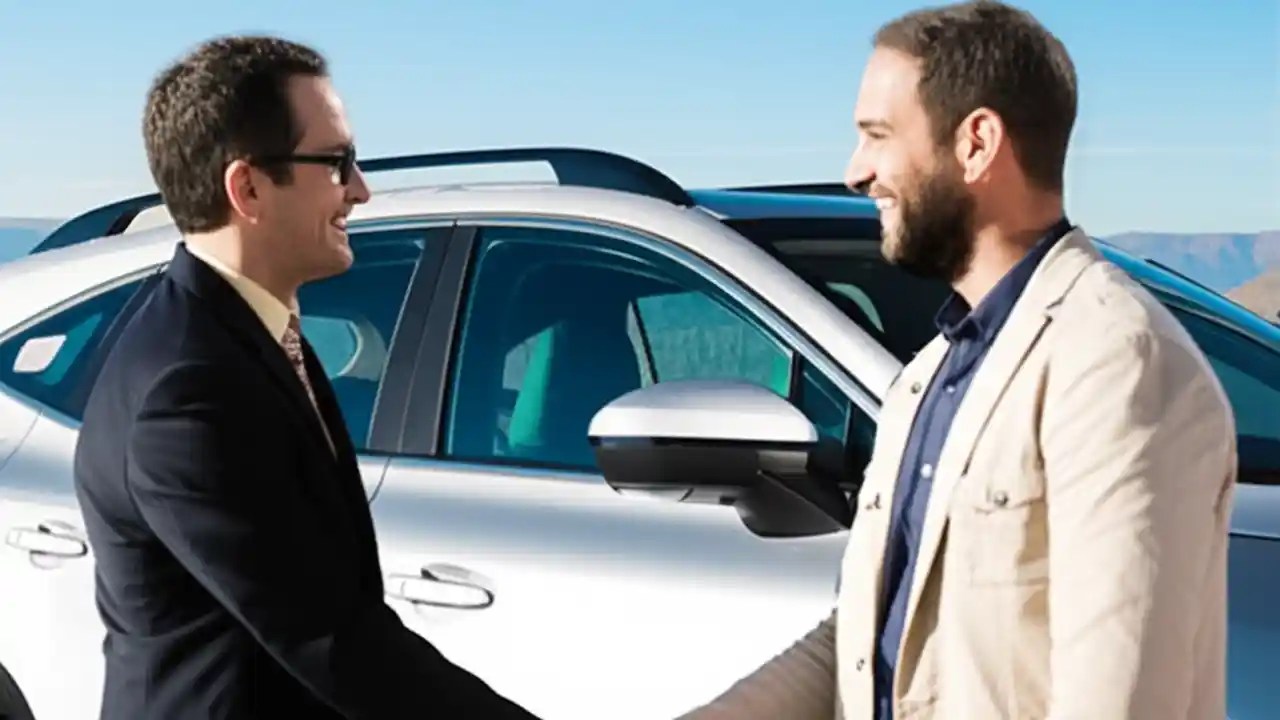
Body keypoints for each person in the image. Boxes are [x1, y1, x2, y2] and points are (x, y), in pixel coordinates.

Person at [678, 2, 1236, 719]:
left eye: (877, 136)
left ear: (976, 143)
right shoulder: (931, 376)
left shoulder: (1117, 365)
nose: (857, 172)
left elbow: (1115, 698)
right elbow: (861, 642)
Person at [72, 35, 540, 720]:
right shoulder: (187, 390)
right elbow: (329, 638)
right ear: (249, 187)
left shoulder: (247, 335)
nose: (360, 189)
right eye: (337, 161)